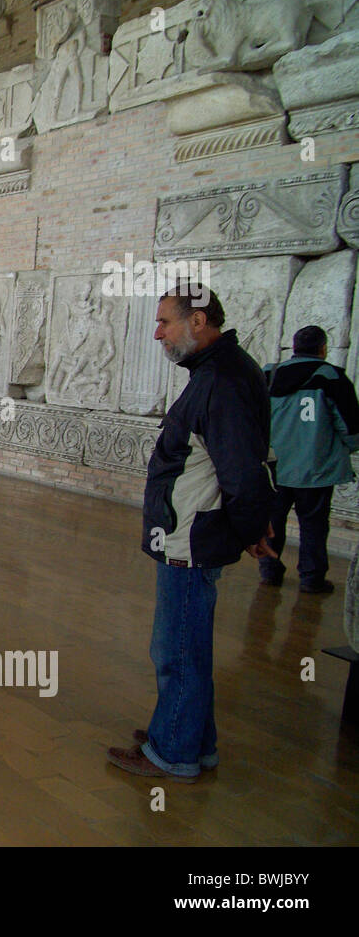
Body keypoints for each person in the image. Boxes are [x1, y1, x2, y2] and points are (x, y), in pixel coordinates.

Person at [107, 282, 275, 783]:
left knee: (176, 649)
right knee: (187, 645)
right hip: (192, 531)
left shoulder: (221, 379)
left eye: (166, 322)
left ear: (198, 322)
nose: (158, 333)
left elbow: (241, 470)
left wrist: (249, 530)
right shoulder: (218, 371)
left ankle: (172, 752)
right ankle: (193, 740)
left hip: (192, 536)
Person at [260, 325, 359, 593]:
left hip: (274, 468)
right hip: (315, 469)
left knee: (272, 523)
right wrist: (346, 449)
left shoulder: (269, 374)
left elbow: (252, 418)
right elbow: (349, 427)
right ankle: (311, 579)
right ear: (323, 348)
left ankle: (270, 571)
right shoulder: (330, 376)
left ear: (294, 347)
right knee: (314, 526)